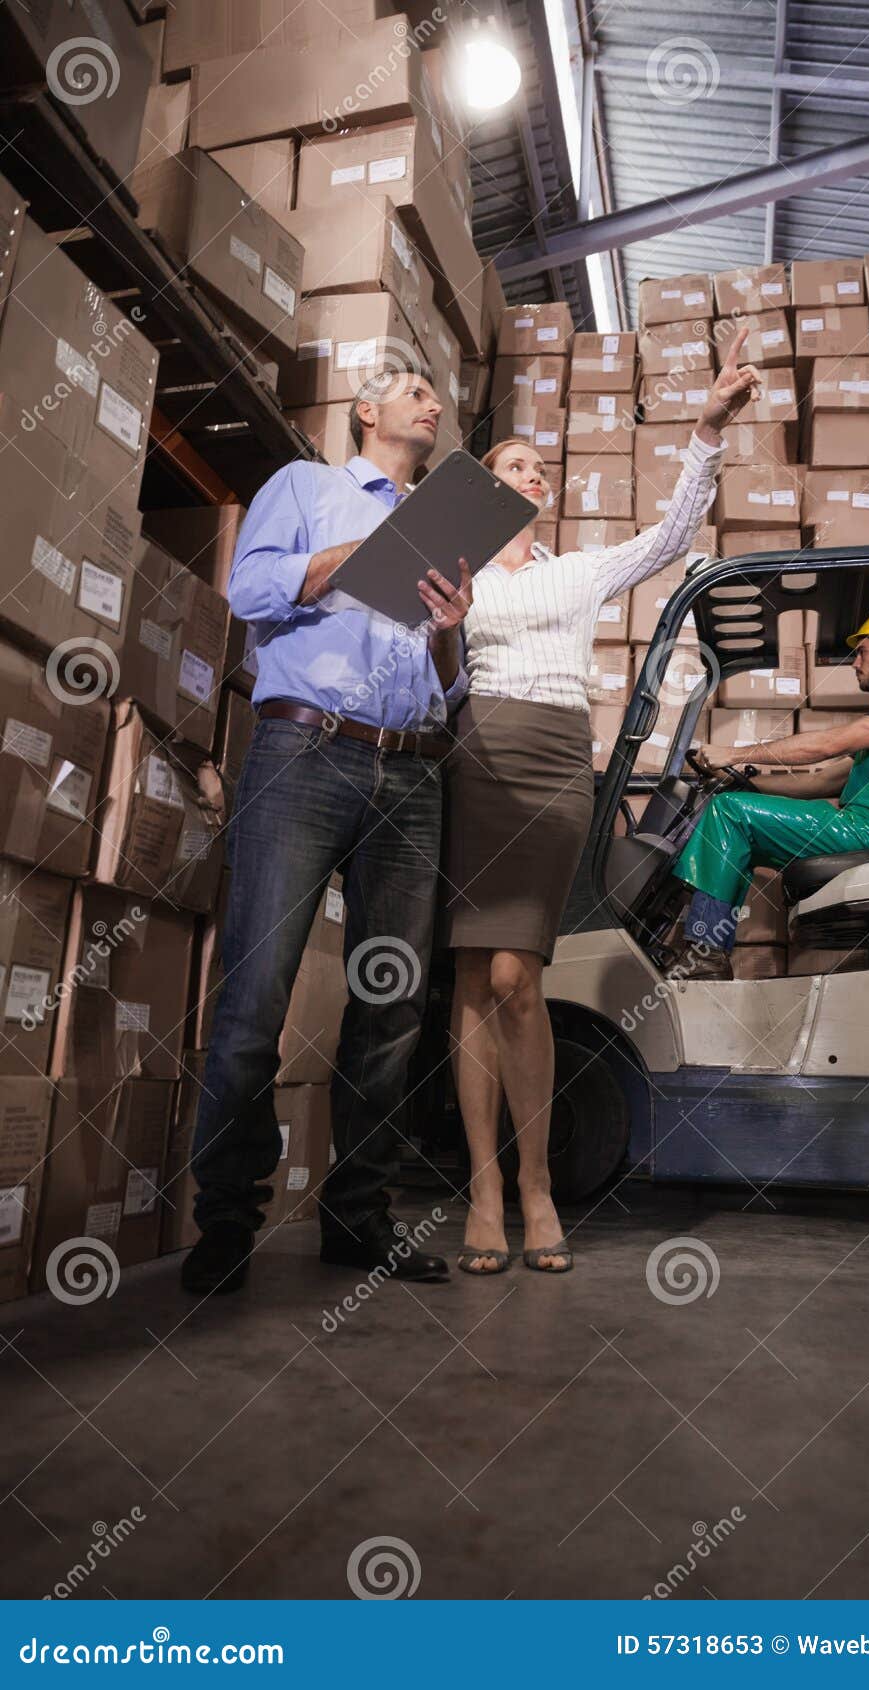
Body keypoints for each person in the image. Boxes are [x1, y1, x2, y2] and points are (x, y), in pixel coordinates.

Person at [442, 324, 762, 1276]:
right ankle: (485, 1191)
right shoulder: (447, 574)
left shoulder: (579, 572)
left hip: (550, 761)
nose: (529, 472)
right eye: (509, 463)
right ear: (479, 488)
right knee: (468, 976)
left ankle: (538, 1185)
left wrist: (704, 430)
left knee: (517, 977)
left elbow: (670, 539)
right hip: (474, 755)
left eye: (537, 466)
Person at [182, 364, 474, 1297]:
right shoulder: (308, 487)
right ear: (366, 410)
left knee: (390, 1011)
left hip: (412, 767)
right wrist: (354, 554)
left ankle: (359, 1221)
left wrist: (449, 628)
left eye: (437, 398)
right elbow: (251, 593)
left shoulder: (447, 521)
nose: (431, 405)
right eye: (413, 390)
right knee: (255, 998)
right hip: (306, 753)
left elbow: (446, 684)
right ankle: (226, 1223)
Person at [660, 610, 869, 980]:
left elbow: (825, 746)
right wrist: (750, 783)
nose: (855, 663)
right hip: (866, 827)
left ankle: (706, 953)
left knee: (728, 813)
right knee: (738, 830)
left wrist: (734, 754)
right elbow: (821, 781)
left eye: (863, 651)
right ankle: (706, 951)